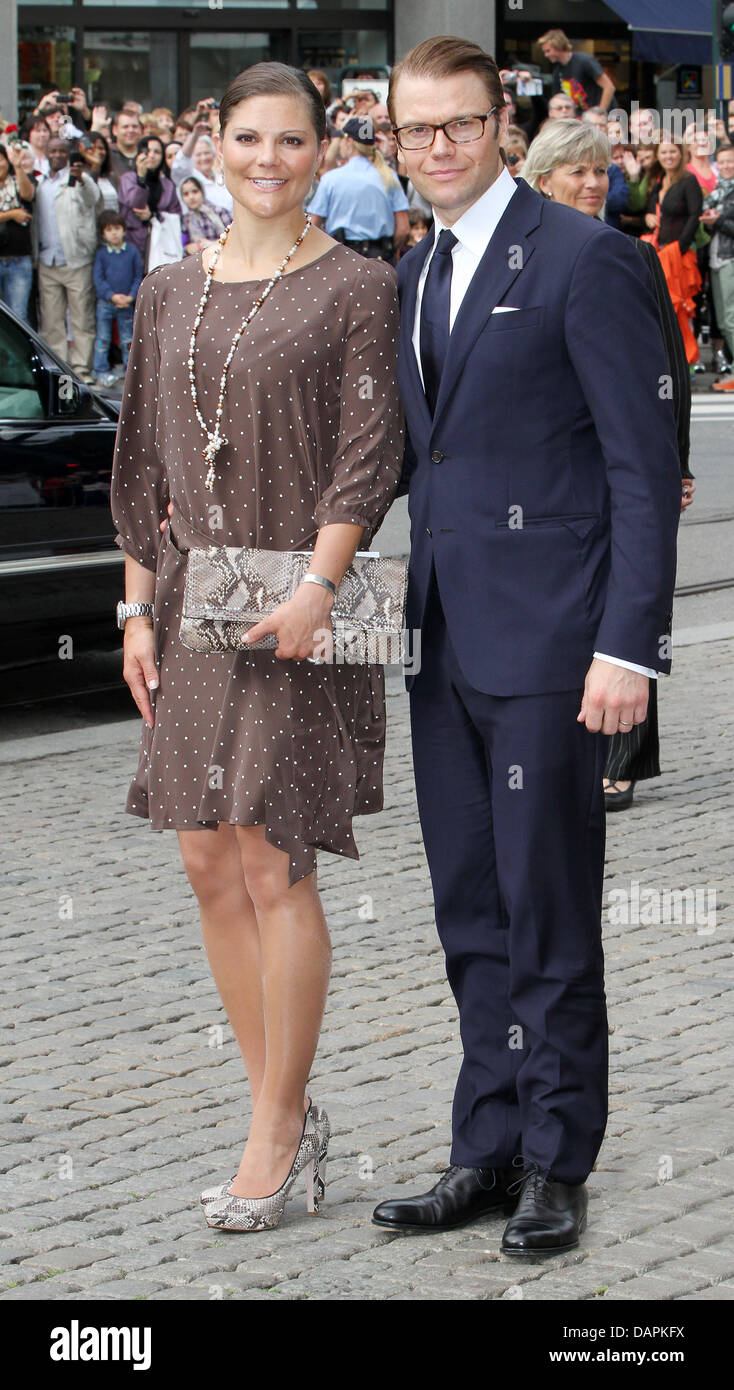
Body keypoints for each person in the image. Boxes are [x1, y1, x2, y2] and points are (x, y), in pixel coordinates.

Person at [370, 36, 679, 1255]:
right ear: (390, 141)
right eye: (414, 129)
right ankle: (484, 1147)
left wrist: (629, 647)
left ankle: (558, 1159)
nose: (436, 146)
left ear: (502, 124)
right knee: (468, 909)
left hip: (556, 648)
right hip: (440, 645)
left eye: (458, 123)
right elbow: (409, 455)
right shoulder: (407, 276)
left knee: (546, 910)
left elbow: (640, 473)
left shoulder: (585, 260)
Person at [109, 62, 403, 1234]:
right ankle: (277, 1099)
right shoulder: (171, 292)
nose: (267, 158)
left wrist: (324, 584)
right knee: (203, 858)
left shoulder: (357, 287)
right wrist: (135, 607)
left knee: (274, 856)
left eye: (290, 140)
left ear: (323, 151)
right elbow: (143, 467)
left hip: (301, 599)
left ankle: (274, 1134)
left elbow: (368, 452)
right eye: (247, 138)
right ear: (212, 148)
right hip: (192, 604)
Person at [523, 119, 693, 813]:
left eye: (600, 171)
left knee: (627, 599)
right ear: (542, 181)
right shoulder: (521, 256)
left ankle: (622, 758)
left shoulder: (627, 253)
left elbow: (668, 370)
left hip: (618, 457)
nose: (593, 183)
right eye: (577, 172)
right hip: (554, 468)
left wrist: (674, 460)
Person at [33, 137, 101, 381]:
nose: (58, 155)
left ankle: (82, 369)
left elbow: (93, 198)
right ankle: (58, 368)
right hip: (47, 259)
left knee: (82, 318)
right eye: (53, 150)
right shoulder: (40, 183)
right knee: (52, 320)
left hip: (76, 259)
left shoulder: (78, 180)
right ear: (47, 153)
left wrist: (81, 177)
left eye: (63, 151)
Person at [307, 115, 409, 261]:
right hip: (380, 258)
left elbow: (313, 225)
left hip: (340, 257)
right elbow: (403, 229)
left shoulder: (331, 179)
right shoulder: (389, 176)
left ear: (349, 141)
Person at [644, 139, 703, 365]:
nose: (668, 156)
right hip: (662, 252)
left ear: (681, 154)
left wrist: (680, 247)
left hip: (678, 254)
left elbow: (694, 216)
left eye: (673, 151)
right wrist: (647, 216)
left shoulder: (688, 181)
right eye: (664, 152)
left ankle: (688, 360)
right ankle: (672, 359)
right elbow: (652, 211)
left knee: (682, 307)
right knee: (666, 307)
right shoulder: (661, 181)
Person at [92, 208, 142, 386]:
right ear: (103, 234)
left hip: (127, 303)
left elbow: (138, 276)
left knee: (128, 338)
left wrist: (130, 296)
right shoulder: (102, 254)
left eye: (117, 228)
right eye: (108, 230)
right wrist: (112, 296)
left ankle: (130, 371)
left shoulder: (132, 252)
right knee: (103, 338)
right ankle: (100, 370)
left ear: (124, 230)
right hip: (106, 303)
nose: (114, 233)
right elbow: (98, 278)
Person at [118, 135, 181, 260]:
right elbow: (136, 205)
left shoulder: (167, 185)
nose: (151, 155)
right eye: (147, 151)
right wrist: (141, 179)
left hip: (161, 246)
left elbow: (176, 216)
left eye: (157, 152)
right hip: (133, 244)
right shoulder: (128, 178)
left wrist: (153, 216)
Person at [703, 144, 734, 392]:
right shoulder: (717, 191)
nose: (726, 166)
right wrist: (709, 222)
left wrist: (718, 220)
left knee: (731, 320)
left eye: (730, 161)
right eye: (722, 162)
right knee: (723, 323)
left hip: (731, 258)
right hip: (716, 258)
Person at [539, 29, 617, 114]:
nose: (546, 55)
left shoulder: (584, 61)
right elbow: (557, 100)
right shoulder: (557, 71)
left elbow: (609, 87)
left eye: (548, 51)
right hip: (582, 116)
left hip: (605, 114)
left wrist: (601, 113)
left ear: (559, 46)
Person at [0, 140, 36, 321]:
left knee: (19, 316)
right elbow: (18, 213)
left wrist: (18, 167)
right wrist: (12, 214)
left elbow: (27, 194)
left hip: (19, 260)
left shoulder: (18, 179)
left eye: (1, 159)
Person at [170, 125, 234, 215]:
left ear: (213, 154)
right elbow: (179, 165)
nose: (203, 158)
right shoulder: (188, 179)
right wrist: (195, 136)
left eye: (206, 153)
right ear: (191, 158)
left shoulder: (224, 178)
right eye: (198, 154)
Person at [179, 173, 232, 254]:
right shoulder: (185, 219)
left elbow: (233, 239)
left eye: (195, 191)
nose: (191, 197)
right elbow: (182, 245)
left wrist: (209, 244)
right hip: (197, 263)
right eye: (186, 194)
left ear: (202, 191)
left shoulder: (219, 212)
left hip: (223, 257)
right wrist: (188, 249)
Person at [80, 133, 119, 211]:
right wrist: (95, 165)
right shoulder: (80, 176)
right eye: (91, 148)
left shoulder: (111, 176)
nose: (97, 152)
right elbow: (90, 190)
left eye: (101, 148)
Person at [109, 109, 144, 183]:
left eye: (134, 127)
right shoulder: (107, 154)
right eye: (125, 127)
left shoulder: (147, 154)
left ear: (140, 129)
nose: (131, 130)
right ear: (115, 130)